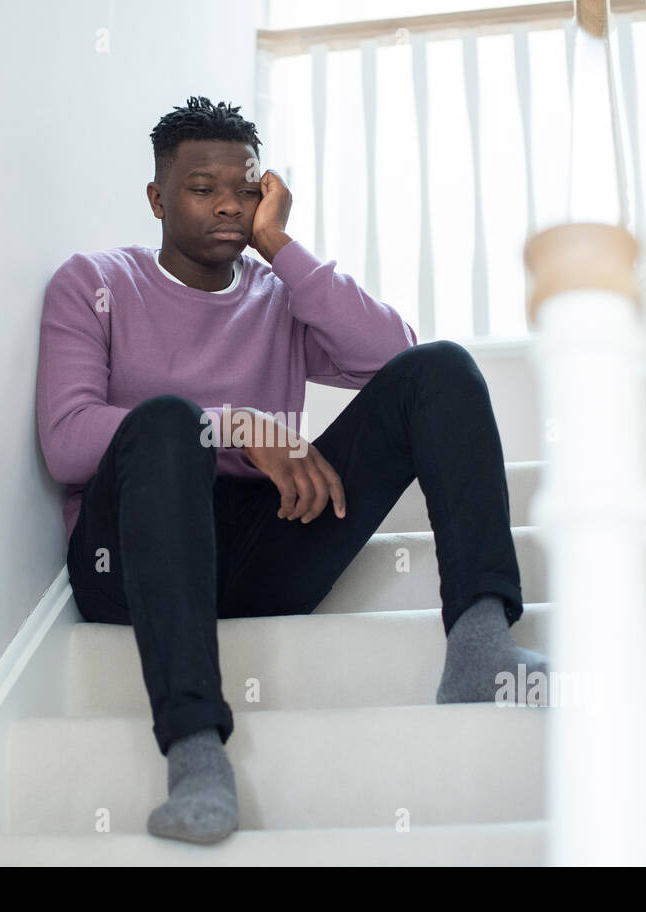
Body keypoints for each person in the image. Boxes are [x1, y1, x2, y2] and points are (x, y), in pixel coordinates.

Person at [35, 95, 547, 846]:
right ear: (157, 197)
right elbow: (66, 439)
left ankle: (478, 645)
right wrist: (233, 427)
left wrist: (282, 248)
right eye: (202, 188)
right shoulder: (95, 284)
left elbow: (394, 357)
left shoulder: (279, 295)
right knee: (170, 420)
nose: (228, 206)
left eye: (245, 190)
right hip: (130, 560)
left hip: (265, 550)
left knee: (441, 368)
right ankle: (196, 752)